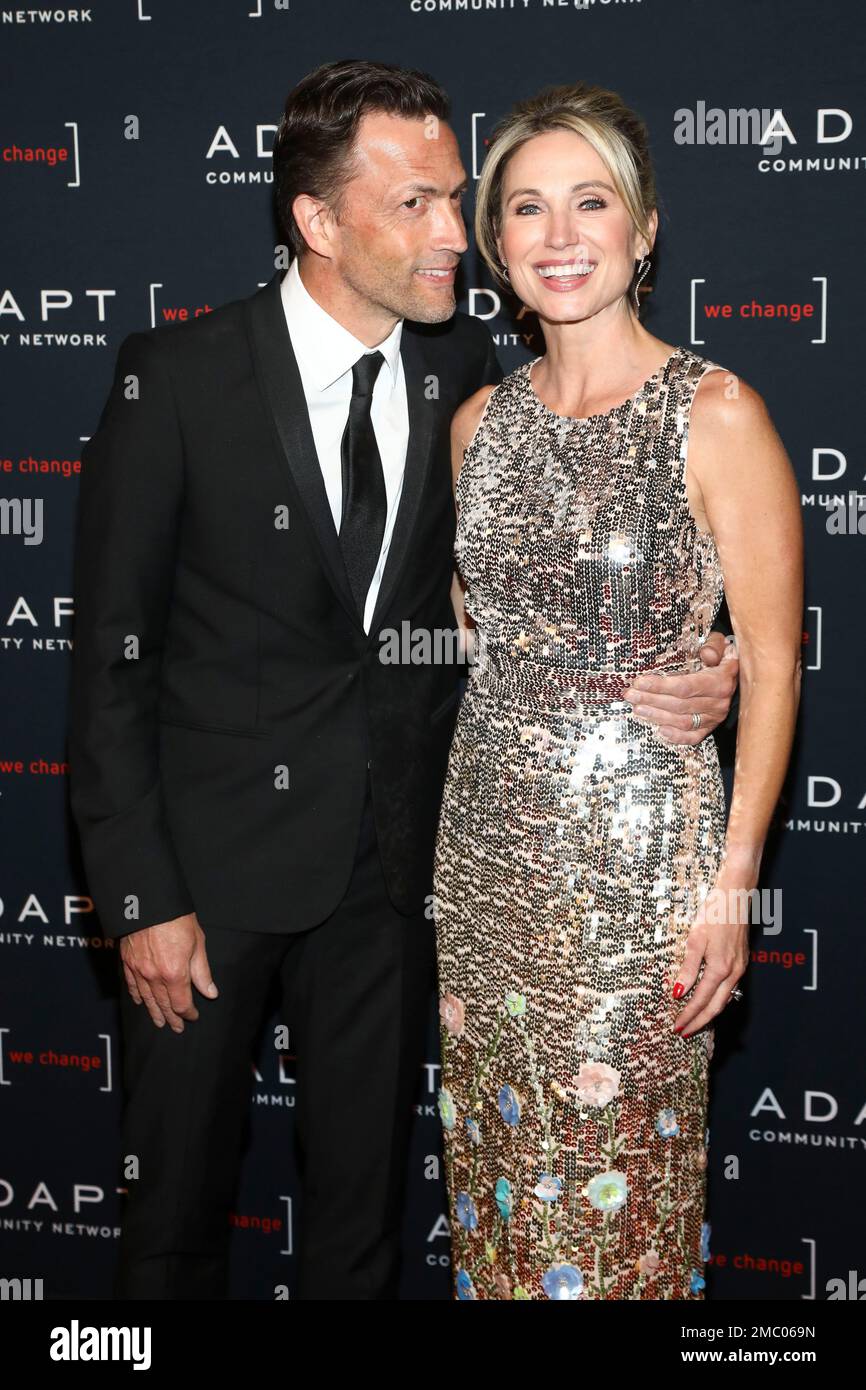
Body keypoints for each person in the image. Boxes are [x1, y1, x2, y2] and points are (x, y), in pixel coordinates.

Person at [67, 60, 737, 1302]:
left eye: (452, 200)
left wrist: (715, 652)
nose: (457, 236)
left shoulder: (472, 380)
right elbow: (111, 658)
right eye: (417, 205)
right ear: (318, 223)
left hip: (395, 880)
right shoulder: (176, 376)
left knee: (362, 1222)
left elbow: (547, 593)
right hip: (203, 891)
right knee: (170, 1220)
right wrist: (138, 895)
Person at [433, 81, 802, 1301]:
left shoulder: (716, 412)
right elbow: (477, 626)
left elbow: (773, 652)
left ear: (643, 230)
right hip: (487, 857)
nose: (557, 235)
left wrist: (730, 879)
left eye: (589, 202)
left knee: (610, 1210)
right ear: (494, 248)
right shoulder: (477, 423)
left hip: (641, 869)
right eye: (525, 210)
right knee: (493, 1187)